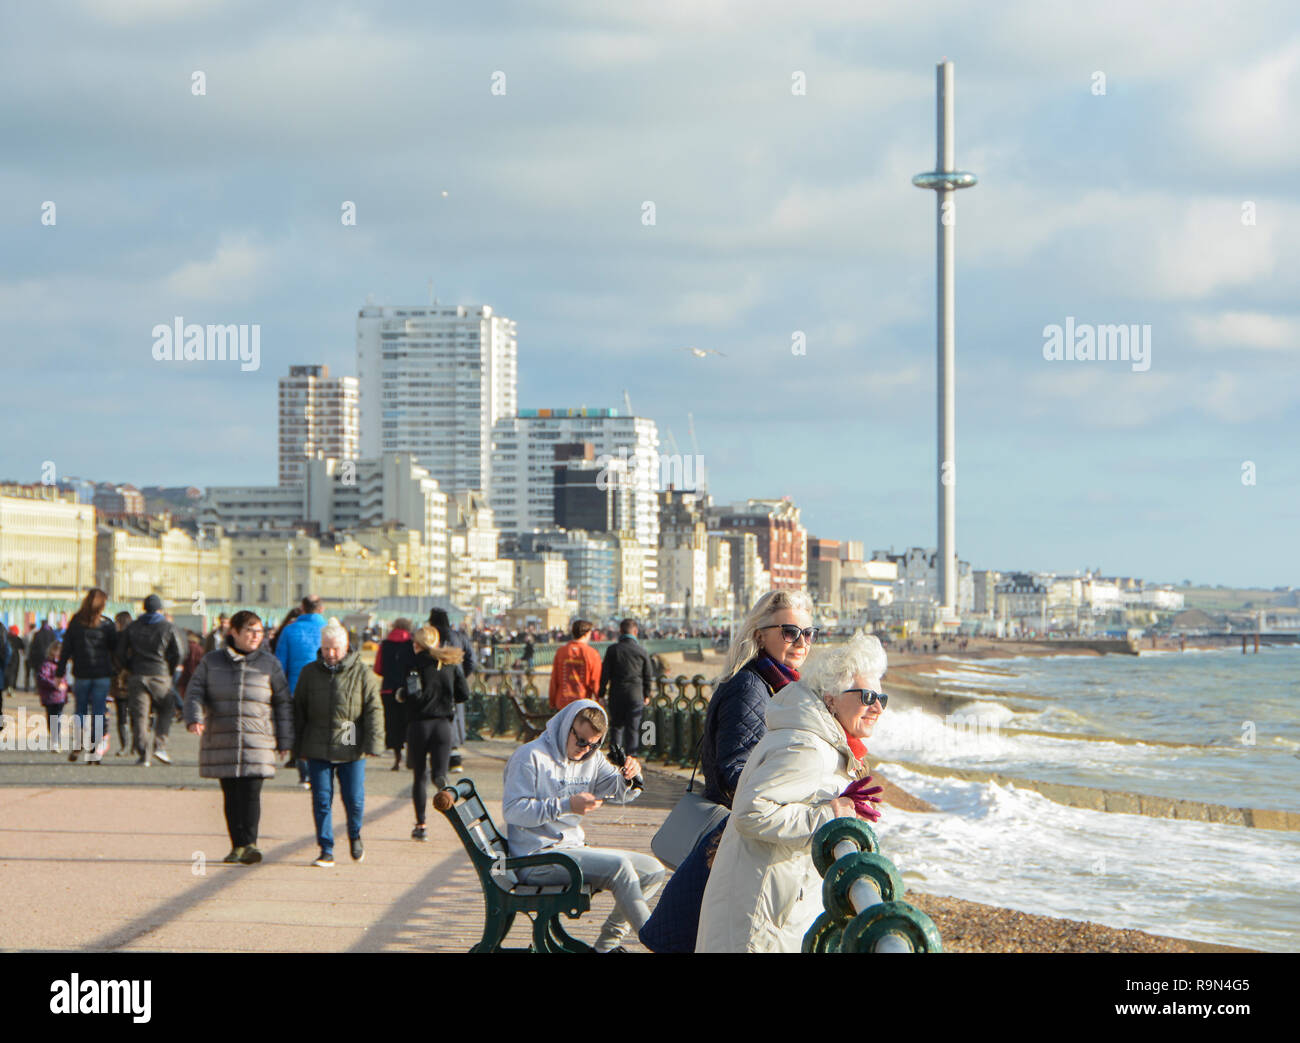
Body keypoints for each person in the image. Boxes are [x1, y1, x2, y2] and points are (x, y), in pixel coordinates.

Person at [639, 588, 815, 953]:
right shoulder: (751, 687)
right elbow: (734, 767)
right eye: (789, 632)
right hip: (730, 836)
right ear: (759, 634)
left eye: (808, 633)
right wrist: (778, 802)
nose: (801, 642)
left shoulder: (777, 686)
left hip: (737, 832)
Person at [696, 631, 888, 953]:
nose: (877, 708)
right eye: (867, 697)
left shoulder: (819, 741)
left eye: (881, 699)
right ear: (831, 697)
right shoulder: (807, 746)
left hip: (768, 904)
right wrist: (828, 816)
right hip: (760, 916)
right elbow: (750, 811)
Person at [503, 699, 664, 952]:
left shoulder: (591, 759)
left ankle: (606, 945)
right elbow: (513, 812)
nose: (586, 750)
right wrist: (566, 805)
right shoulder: (530, 756)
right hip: (537, 858)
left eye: (594, 744)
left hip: (571, 849)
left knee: (652, 869)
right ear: (566, 727)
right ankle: (660, 944)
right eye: (581, 741)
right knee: (620, 868)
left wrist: (631, 776)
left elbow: (618, 791)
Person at [183, 610, 293, 865]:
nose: (255, 637)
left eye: (259, 632)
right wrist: (194, 717)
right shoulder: (212, 661)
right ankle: (237, 846)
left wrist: (285, 740)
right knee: (231, 794)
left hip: (258, 739)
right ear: (233, 632)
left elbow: (283, 703)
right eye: (249, 631)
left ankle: (250, 844)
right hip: (223, 737)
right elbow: (194, 691)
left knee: (252, 792)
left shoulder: (269, 663)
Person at [293, 619, 384, 868]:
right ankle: (326, 848)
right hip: (316, 739)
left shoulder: (362, 673)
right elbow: (298, 710)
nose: (331, 654)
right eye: (326, 649)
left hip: (348, 733)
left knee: (353, 797)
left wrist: (374, 743)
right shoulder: (309, 673)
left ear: (345, 648)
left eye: (335, 649)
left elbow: (373, 709)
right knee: (321, 798)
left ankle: (355, 834)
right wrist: (296, 747)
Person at [406, 625, 469, 840]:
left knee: (419, 776)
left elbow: (413, 694)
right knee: (440, 776)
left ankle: (421, 825)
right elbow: (464, 693)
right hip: (443, 726)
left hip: (420, 725)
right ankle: (458, 818)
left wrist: (401, 696)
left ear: (419, 644)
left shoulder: (415, 664)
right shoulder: (451, 663)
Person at [120, 594, 185, 766]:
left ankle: (143, 754)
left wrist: (129, 667)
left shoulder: (132, 627)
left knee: (140, 715)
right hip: (160, 674)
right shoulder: (168, 627)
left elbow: (119, 653)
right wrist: (169, 670)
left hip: (138, 674)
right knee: (166, 709)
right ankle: (159, 745)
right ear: (160, 608)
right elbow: (179, 652)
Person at [56, 588, 117, 763]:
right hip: (101, 674)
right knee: (99, 711)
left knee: (80, 710)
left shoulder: (75, 622)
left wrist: (60, 673)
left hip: (81, 674)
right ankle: (95, 748)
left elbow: (66, 648)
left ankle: (79, 740)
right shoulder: (107, 624)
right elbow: (114, 649)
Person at [275, 595, 327, 787]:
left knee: (300, 730)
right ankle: (320, 770)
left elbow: (280, 663)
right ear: (322, 609)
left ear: (302, 608)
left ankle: (304, 773)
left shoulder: (289, 631)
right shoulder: (329, 630)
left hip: (296, 688)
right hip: (325, 688)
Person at [597, 618, 654, 756]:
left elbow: (605, 674)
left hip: (616, 692)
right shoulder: (642, 651)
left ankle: (616, 758)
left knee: (616, 727)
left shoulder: (612, 650)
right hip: (636, 694)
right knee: (633, 728)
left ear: (620, 632)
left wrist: (601, 694)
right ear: (635, 632)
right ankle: (631, 759)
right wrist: (646, 694)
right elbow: (648, 675)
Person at [428, 608, 474, 775]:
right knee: (454, 718)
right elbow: (471, 660)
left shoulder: (431, 637)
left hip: (433, 685)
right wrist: (462, 677)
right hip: (455, 682)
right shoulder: (459, 636)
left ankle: (439, 757)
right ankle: (454, 756)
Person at [373, 618, 417, 771]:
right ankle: (411, 757)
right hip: (409, 690)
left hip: (389, 689)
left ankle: (397, 758)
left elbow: (378, 669)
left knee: (393, 724)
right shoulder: (412, 644)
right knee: (409, 723)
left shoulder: (384, 645)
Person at [547, 619, 601, 711]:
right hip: (582, 703)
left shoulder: (561, 652)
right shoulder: (592, 654)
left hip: (562, 703)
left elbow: (554, 679)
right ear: (587, 634)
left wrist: (552, 701)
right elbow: (595, 681)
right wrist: (598, 701)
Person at [107, 611, 133, 755]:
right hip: (134, 680)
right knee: (136, 713)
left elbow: (111, 658)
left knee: (122, 713)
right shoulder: (137, 637)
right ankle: (136, 745)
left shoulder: (115, 639)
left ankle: (125, 745)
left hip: (120, 680)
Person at [36, 640, 68, 751]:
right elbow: (42, 678)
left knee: (57, 718)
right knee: (52, 718)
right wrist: (55, 684)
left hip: (60, 697)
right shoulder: (47, 664)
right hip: (50, 696)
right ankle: (54, 740)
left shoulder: (62, 664)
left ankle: (55, 740)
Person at [27, 620, 57, 692]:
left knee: (39, 673)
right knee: (50, 672)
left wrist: (31, 657)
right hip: (50, 657)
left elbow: (33, 647)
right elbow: (54, 645)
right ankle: (49, 687)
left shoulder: (37, 634)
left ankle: (39, 688)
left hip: (38, 657)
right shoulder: (52, 634)